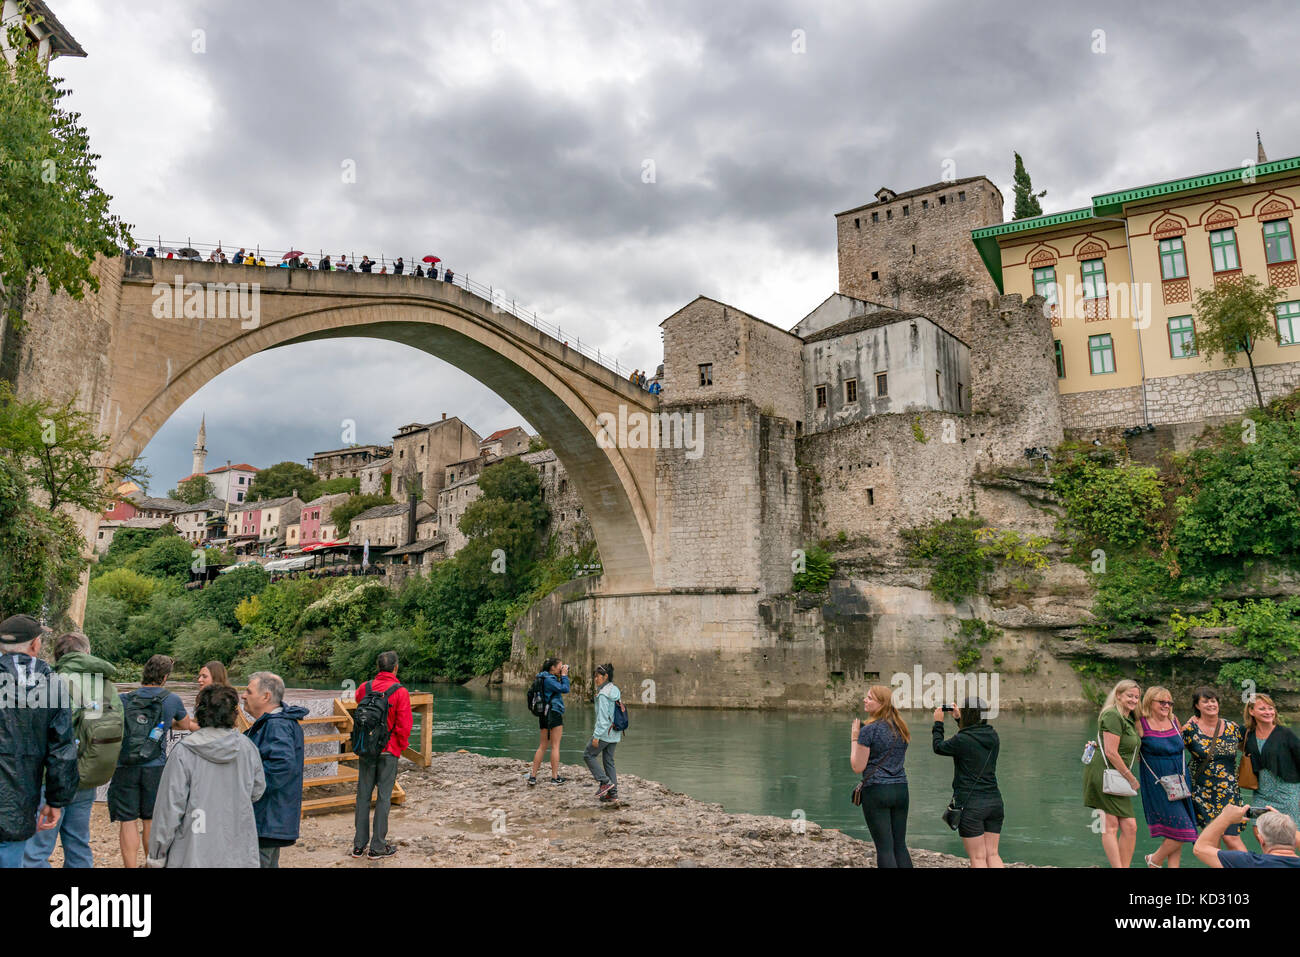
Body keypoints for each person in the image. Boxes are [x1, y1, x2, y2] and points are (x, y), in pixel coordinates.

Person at [22, 632, 123, 869]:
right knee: (78, 843)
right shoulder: (106, 684)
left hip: (52, 778)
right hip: (88, 775)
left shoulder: (51, 682)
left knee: (36, 851)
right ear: (87, 652)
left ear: (58, 655)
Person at [146, 684, 265, 867]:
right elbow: (257, 790)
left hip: (192, 850)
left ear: (200, 712)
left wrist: (156, 855)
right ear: (233, 714)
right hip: (237, 850)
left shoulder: (184, 751)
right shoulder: (247, 748)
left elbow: (169, 808)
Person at [0, 615, 77, 869]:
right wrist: (56, 800)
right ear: (35, 645)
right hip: (16, 801)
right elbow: (62, 750)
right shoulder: (51, 685)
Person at [107, 654, 198, 868]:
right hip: (155, 767)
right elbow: (185, 725)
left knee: (127, 820)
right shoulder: (172, 699)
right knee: (150, 819)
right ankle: (151, 865)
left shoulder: (124, 699)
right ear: (165, 677)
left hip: (125, 764)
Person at [242, 672, 306, 868]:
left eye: (248, 691)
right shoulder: (274, 723)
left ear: (266, 696)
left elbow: (281, 767)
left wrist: (249, 791)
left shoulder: (276, 726)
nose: (243, 695)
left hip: (266, 818)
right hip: (269, 818)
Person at [352, 651, 412, 860]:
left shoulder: (364, 688)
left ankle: (358, 846)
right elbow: (405, 725)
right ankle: (378, 846)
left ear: (378, 667)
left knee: (363, 796)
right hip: (388, 750)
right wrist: (399, 747)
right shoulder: (400, 691)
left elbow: (360, 706)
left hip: (366, 749)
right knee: (384, 798)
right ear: (395, 668)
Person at [932, 697, 1003, 867]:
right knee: (992, 854)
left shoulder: (961, 740)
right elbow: (972, 737)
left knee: (978, 858)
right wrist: (959, 719)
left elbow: (938, 747)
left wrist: (938, 724)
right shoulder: (993, 736)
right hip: (995, 802)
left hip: (972, 806)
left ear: (966, 714)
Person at [1083, 678, 1142, 868]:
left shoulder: (1128, 718)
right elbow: (1110, 752)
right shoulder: (1112, 715)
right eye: (1129, 696)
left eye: (1136, 697)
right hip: (1106, 774)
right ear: (1118, 695)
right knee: (1110, 826)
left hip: (1117, 776)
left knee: (1130, 827)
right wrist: (1131, 777)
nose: (1133, 700)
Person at [851, 684, 911, 867]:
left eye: (869, 698)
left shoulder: (868, 730)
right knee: (899, 845)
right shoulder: (901, 728)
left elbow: (857, 766)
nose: (865, 700)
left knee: (884, 848)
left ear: (881, 703)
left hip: (877, 791)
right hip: (901, 789)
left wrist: (855, 737)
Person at [1137, 685, 1197, 867]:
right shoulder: (1141, 723)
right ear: (1149, 702)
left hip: (1179, 782)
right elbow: (1126, 745)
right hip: (1158, 784)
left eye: (1169, 702)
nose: (1166, 705)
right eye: (1161, 702)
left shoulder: (1174, 721)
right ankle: (1154, 859)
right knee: (1185, 830)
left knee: (1174, 831)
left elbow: (1183, 745)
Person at [1182, 685, 1246, 852]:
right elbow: (1172, 748)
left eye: (1213, 701)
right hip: (1202, 794)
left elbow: (1247, 748)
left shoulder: (1232, 728)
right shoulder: (1190, 730)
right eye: (1205, 701)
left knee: (1232, 839)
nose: (1211, 704)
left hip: (1229, 793)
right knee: (1211, 842)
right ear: (1197, 705)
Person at [1242, 693, 1300, 829]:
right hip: (1261, 794)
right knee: (1258, 829)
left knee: (1291, 835)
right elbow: (1222, 728)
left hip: (1288, 794)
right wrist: (1195, 719)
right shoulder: (1247, 733)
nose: (1268, 712)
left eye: (1271, 708)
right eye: (1262, 709)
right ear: (1251, 711)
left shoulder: (1286, 734)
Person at [1194, 804, 1300, 868]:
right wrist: (1284, 823)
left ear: (1261, 840)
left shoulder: (1247, 862)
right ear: (1294, 840)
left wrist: (1225, 818)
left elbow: (1201, 848)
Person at [529, 658, 570, 786]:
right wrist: (564, 676)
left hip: (543, 714)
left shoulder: (541, 678)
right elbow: (565, 689)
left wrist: (560, 675)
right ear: (552, 668)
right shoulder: (550, 680)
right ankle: (554, 777)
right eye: (559, 666)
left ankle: (533, 776)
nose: (561, 668)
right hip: (553, 713)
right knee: (555, 746)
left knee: (542, 745)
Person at [584, 663, 622, 801]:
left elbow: (603, 718)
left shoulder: (604, 694)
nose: (595, 679)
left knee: (588, 755)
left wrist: (596, 736)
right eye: (595, 676)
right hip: (615, 733)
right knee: (608, 761)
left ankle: (605, 782)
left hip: (604, 733)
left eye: (597, 676)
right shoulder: (614, 690)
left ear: (605, 676)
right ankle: (613, 795)